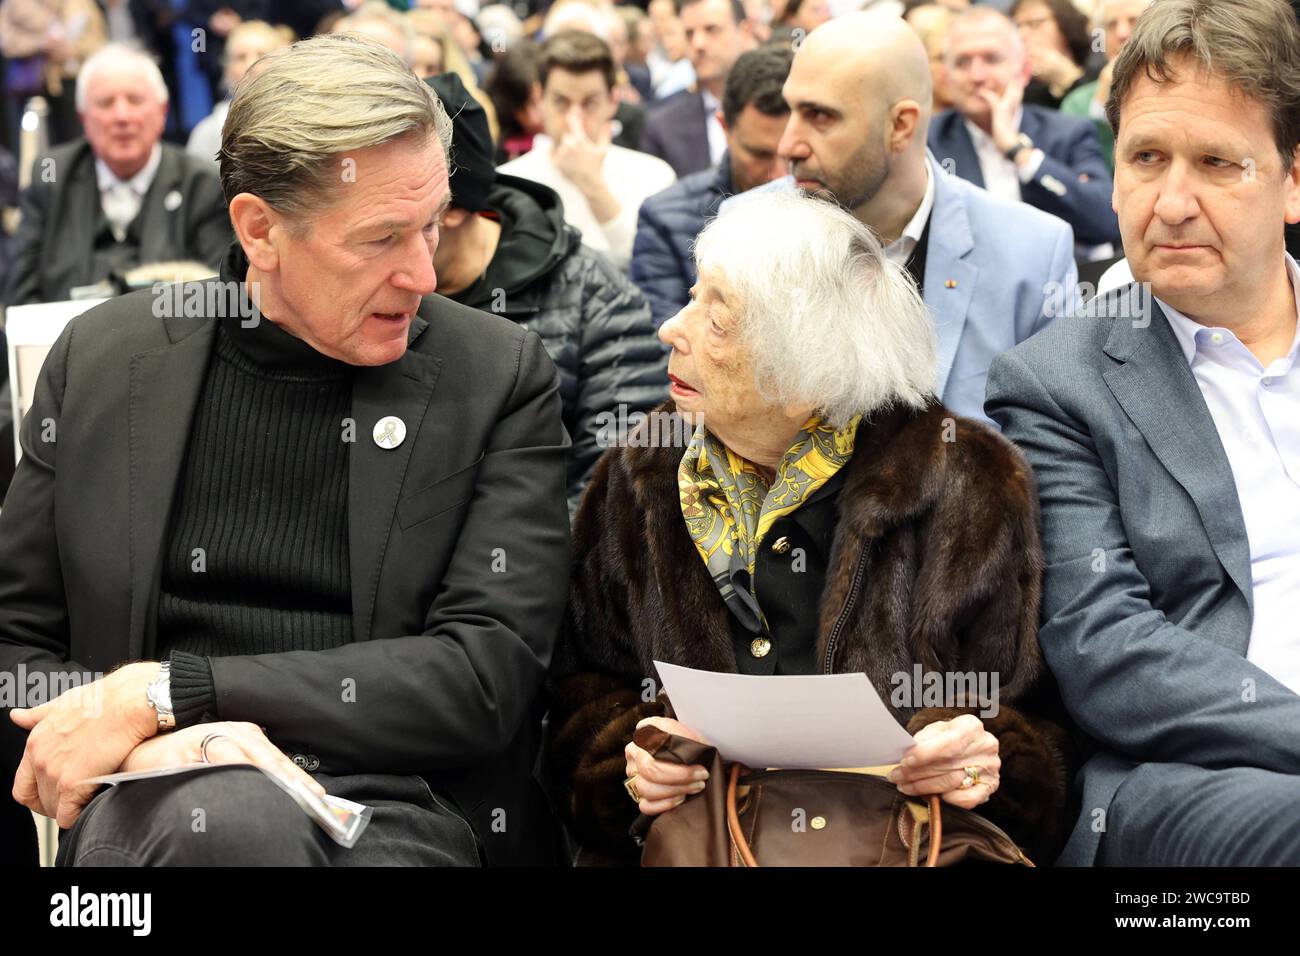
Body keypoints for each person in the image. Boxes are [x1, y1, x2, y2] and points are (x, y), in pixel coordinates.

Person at [0, 34, 571, 867]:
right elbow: (17, 641)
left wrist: (171, 695)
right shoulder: (106, 362)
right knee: (227, 826)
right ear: (259, 230)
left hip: (396, 800)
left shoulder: (494, 375)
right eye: (381, 240)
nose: (423, 273)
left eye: (432, 227)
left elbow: (484, 676)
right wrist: (144, 747)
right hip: (155, 797)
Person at [548, 190, 1072, 865]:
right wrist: (627, 758)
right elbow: (577, 689)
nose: (670, 329)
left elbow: (1039, 728)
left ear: (807, 365)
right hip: (702, 843)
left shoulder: (963, 480)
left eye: (717, 317)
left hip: (899, 845)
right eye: (692, 296)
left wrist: (986, 757)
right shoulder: (640, 473)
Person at [986, 0, 1300, 866]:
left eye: (1216, 164)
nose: (1171, 203)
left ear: (1294, 180)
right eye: (1146, 159)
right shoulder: (1056, 383)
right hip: (1191, 776)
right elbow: (1106, 649)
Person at [777, 12, 1077, 423]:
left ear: (901, 125)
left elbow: (1056, 449)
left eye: (821, 116)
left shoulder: (1031, 254)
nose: (788, 144)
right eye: (789, 110)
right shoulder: (742, 234)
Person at [426, 72, 665, 512]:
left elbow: (611, 482)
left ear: (452, 210)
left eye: (406, 224)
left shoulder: (595, 294)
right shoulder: (367, 286)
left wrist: (516, 569)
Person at [5, 44, 229, 305]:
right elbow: (19, 291)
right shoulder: (51, 177)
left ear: (162, 112)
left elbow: (218, 295)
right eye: (105, 103)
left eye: (135, 100)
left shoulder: (201, 183)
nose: (121, 116)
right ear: (83, 118)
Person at [929, 6, 1119, 250]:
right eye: (962, 62)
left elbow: (1104, 220)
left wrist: (1018, 151)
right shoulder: (929, 142)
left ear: (1024, 71)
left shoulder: (1069, 132)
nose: (977, 75)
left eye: (991, 59)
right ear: (946, 76)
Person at [632, 43, 791, 327]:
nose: (779, 174)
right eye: (759, 154)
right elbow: (665, 345)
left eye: (793, 156)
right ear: (724, 127)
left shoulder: (837, 201)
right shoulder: (665, 218)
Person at [497, 30, 675, 271]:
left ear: (613, 101)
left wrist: (591, 184)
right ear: (540, 99)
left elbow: (653, 270)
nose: (574, 119)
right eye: (561, 102)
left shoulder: (654, 176)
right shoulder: (509, 181)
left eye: (589, 103)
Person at [639, 0, 754, 178]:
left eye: (712, 29)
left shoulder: (782, 105)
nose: (698, 43)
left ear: (745, 32)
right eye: (689, 34)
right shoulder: (662, 125)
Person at [186, 20, 294, 168]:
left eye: (261, 55)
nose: (251, 64)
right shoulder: (208, 133)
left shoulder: (298, 120)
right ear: (227, 68)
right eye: (240, 57)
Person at [1059, 0, 1149, 173]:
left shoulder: (1178, 93)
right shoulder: (1077, 102)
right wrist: (1100, 106)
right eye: (1111, 25)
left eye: (1133, 20)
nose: (1122, 33)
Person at [1008, 0, 1097, 110]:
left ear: (1064, 24)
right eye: (1017, 27)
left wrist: (1069, 78)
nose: (1022, 34)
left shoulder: (1098, 71)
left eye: (1035, 24)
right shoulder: (1018, 85)